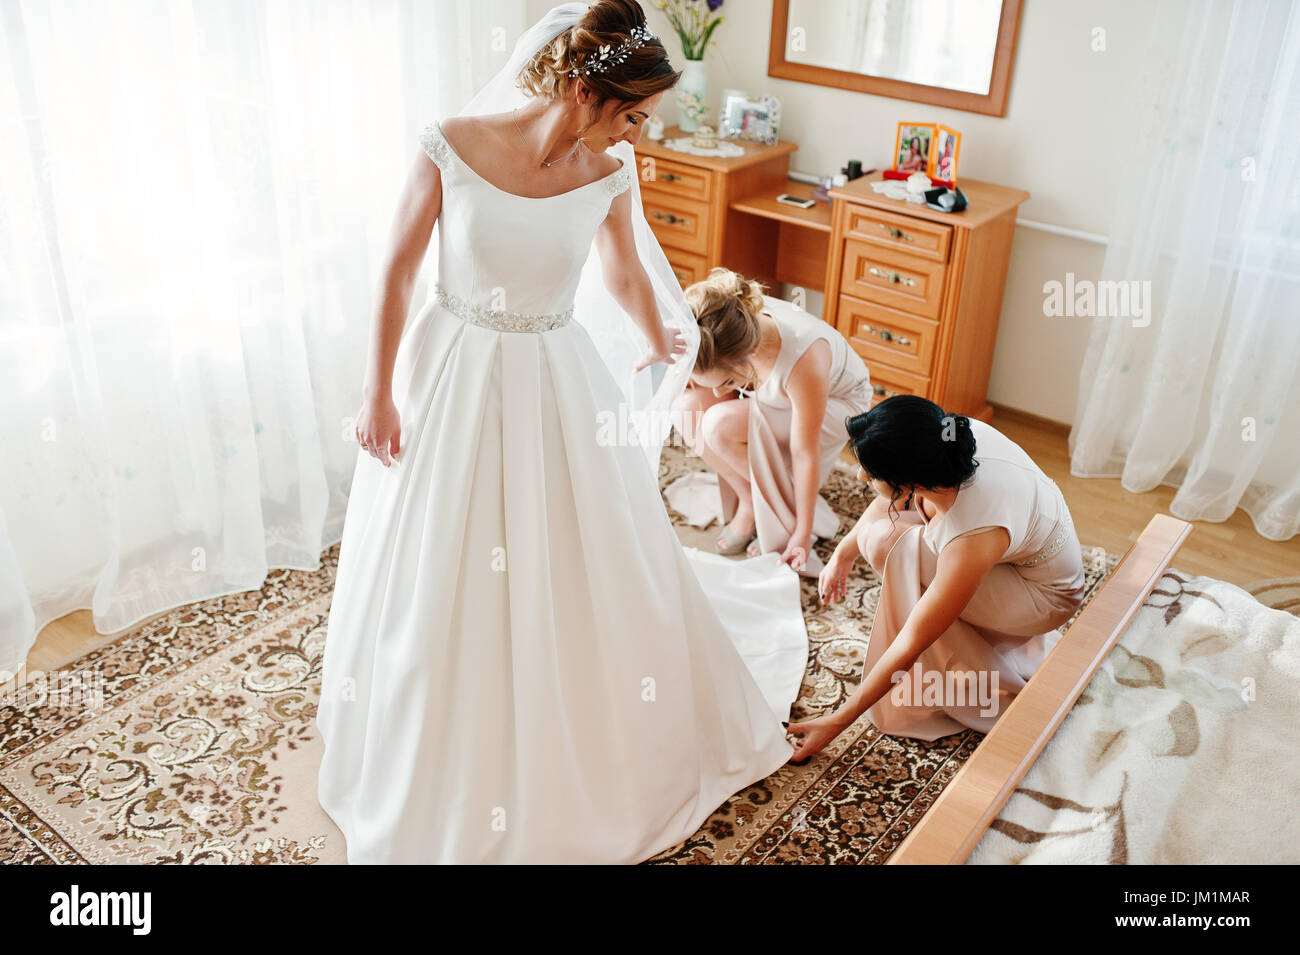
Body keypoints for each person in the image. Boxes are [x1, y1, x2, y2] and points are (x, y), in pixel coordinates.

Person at [316, 1, 807, 864]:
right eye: (632, 115)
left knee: (578, 549)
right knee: (442, 554)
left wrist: (661, 337)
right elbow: (395, 274)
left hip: (552, 371)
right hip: (452, 370)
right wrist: (377, 392)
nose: (638, 136)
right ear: (583, 90)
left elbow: (618, 264)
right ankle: (436, 748)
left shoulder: (609, 171)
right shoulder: (450, 143)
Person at [787, 396, 1086, 759]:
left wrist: (837, 721)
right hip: (1015, 554)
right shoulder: (944, 438)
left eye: (871, 472)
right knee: (877, 535)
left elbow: (911, 641)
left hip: (1043, 597)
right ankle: (971, 636)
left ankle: (977, 671)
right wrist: (843, 553)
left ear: (909, 477)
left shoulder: (972, 532)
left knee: (886, 543)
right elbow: (894, 494)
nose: (861, 476)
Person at [668, 269, 873, 576]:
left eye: (726, 381)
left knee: (717, 424)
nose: (718, 392)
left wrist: (801, 534)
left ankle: (779, 512)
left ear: (747, 357)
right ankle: (749, 497)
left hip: (837, 403)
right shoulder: (724, 319)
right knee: (687, 410)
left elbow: (804, 453)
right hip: (779, 389)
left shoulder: (804, 359)